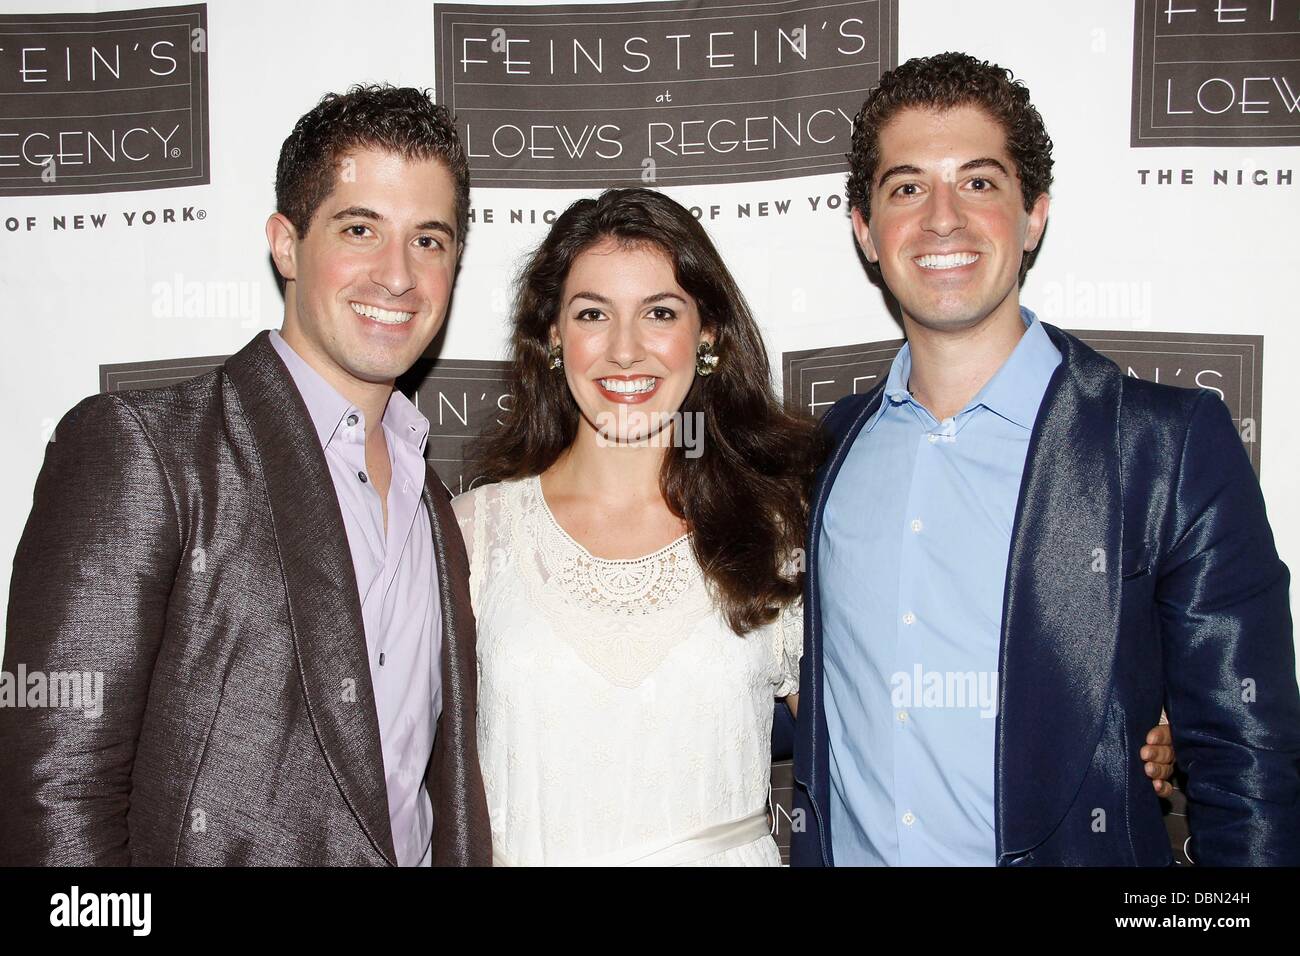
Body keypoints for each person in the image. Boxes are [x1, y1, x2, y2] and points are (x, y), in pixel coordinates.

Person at [785, 52, 1300, 866]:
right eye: (907, 187)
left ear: (1034, 218)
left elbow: (1250, 764)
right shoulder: (820, 454)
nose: (943, 218)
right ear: (865, 230)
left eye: (980, 183)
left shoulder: (1164, 448)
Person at [0, 85, 491, 866]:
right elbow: (57, 790)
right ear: (287, 244)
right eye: (360, 229)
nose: (397, 276)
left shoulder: (435, 498)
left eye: (428, 240)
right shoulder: (147, 450)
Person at [451, 187, 817, 865]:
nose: (625, 350)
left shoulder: (775, 533)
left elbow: (853, 772)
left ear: (707, 337)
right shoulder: (474, 535)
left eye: (659, 312)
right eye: (594, 313)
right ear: (555, 337)